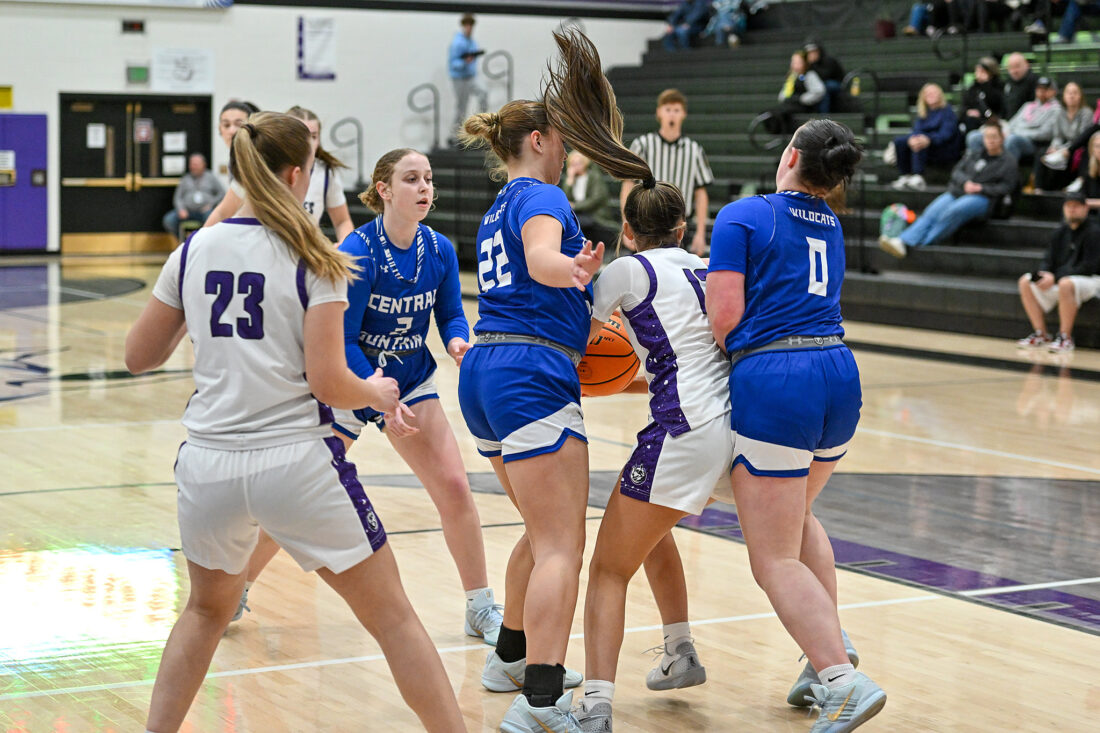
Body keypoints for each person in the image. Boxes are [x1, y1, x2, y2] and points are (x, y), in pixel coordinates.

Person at [124, 111, 464, 733]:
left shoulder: (194, 249)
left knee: (202, 614)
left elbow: (137, 357)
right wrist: (379, 391)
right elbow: (329, 383)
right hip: (295, 462)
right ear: (296, 175)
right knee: (393, 619)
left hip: (208, 464)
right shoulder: (318, 257)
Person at [231, 147, 504, 646]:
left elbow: (449, 314)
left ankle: (480, 606)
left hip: (411, 379)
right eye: (410, 179)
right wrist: (375, 396)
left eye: (428, 179)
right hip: (351, 382)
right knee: (293, 500)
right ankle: (236, 588)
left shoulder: (439, 249)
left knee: (455, 488)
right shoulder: (356, 252)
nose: (424, 188)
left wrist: (458, 341)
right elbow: (345, 338)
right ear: (383, 190)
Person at [706, 118, 886, 732]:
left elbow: (723, 318)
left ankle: (842, 678)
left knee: (772, 558)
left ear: (788, 156)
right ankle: (822, 659)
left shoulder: (742, 215)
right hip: (838, 373)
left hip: (780, 380)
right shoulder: (830, 222)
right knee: (800, 519)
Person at [456, 32, 607, 732]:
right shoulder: (539, 199)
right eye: (565, 142)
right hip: (529, 370)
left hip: (489, 369)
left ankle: (511, 656)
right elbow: (545, 256)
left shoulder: (497, 207)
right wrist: (573, 270)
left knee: (538, 529)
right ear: (542, 141)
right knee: (561, 545)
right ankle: (541, 703)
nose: (571, 153)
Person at [566, 152, 734, 732]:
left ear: (628, 233)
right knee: (652, 529)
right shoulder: (707, 267)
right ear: (683, 228)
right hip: (732, 424)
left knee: (609, 567)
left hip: (681, 430)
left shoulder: (627, 270)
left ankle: (595, 704)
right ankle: (681, 651)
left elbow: (580, 340)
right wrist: (632, 376)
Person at [881, 121, 1018, 258]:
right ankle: (903, 241)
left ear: (1002, 138)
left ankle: (922, 244)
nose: (991, 140)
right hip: (959, 191)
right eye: (987, 136)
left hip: (985, 198)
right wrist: (965, 183)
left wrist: (981, 188)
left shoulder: (1008, 162)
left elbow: (1007, 187)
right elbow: (957, 172)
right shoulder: (974, 154)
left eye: (994, 136)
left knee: (954, 211)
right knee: (932, 211)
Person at [622, 89, 714, 257]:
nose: (672, 115)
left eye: (676, 110)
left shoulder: (694, 149)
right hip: (645, 223)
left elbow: (701, 193)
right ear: (659, 113)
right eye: (668, 109)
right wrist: (625, 222)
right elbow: (628, 184)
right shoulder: (642, 144)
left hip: (677, 225)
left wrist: (701, 233)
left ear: (684, 114)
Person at [1016, 190, 1100, 353]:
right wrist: (1045, 274)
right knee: (1026, 281)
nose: (1072, 209)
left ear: (1086, 209)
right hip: (1063, 279)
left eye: (1076, 206)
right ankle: (1041, 334)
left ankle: (1065, 337)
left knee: (1065, 283)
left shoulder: (1095, 232)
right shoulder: (1059, 232)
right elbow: (1048, 259)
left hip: (1093, 280)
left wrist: (1054, 277)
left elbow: (1089, 267)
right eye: (1069, 206)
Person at [287, 105, 355, 242]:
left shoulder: (326, 172)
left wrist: (345, 244)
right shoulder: (270, 167)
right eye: (301, 135)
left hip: (309, 252)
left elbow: (342, 221)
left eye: (313, 136)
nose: (308, 143)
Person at [967, 76, 1060, 162]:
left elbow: (1045, 133)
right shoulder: (1028, 106)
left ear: (1053, 91)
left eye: (1045, 89)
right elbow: (1012, 124)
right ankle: (978, 169)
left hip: (1033, 144)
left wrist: (1017, 132)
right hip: (1013, 134)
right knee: (974, 137)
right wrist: (1001, 132)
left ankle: (1002, 172)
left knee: (1012, 140)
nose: (1041, 91)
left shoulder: (1056, 109)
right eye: (1039, 88)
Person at [890, 83, 961, 191]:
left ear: (940, 95)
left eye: (933, 93)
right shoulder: (923, 113)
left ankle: (918, 176)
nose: (930, 95)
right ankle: (905, 175)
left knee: (920, 141)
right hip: (925, 145)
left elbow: (945, 135)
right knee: (900, 141)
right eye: (927, 94)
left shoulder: (947, 112)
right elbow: (916, 131)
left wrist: (928, 139)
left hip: (943, 148)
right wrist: (913, 139)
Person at [202, 100, 260, 228]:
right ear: (219, 129)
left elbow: (223, 211)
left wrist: (196, 240)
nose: (232, 130)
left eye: (238, 124)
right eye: (226, 125)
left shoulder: (255, 159)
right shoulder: (235, 158)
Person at [1034, 81, 1092, 192]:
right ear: (1064, 96)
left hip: (1079, 147)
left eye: (1075, 93)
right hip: (1063, 146)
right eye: (1069, 92)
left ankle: (1061, 187)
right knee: (1043, 153)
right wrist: (1054, 147)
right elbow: (1057, 136)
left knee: (1066, 156)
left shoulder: (1086, 113)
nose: (1071, 95)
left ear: (1080, 96)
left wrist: (1065, 149)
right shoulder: (1059, 112)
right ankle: (1039, 189)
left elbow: (1082, 137)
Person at [560, 151, 618, 253]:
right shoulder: (571, 179)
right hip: (579, 214)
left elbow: (596, 199)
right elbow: (565, 200)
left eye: (578, 163)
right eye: (573, 164)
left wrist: (575, 206)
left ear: (585, 163)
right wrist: (569, 180)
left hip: (594, 214)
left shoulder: (594, 176)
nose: (576, 166)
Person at [764, 51, 826, 136]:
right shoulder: (792, 76)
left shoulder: (809, 75)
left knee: (782, 113)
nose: (795, 65)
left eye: (798, 62)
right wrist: (786, 98)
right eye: (793, 62)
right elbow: (784, 93)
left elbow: (819, 91)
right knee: (768, 113)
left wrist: (802, 99)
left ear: (804, 63)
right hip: (791, 104)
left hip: (804, 106)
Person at [162, 153, 224, 237]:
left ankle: (203, 241)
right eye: (192, 164)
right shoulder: (185, 179)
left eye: (196, 164)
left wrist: (211, 204)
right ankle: (184, 241)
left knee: (211, 218)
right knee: (169, 220)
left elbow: (221, 193)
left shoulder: (211, 177)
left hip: (205, 212)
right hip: (188, 212)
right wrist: (181, 209)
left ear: (203, 165)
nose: (194, 167)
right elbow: (178, 197)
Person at [448, 13, 489, 137]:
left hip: (471, 76)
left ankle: (480, 124)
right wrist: (465, 62)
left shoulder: (472, 42)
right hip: (460, 78)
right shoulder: (457, 43)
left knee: (483, 92)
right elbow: (453, 63)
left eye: (471, 25)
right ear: (463, 26)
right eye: (467, 25)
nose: (469, 28)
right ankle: (455, 135)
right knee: (462, 107)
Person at [960, 57, 1005, 134]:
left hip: (995, 120)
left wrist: (986, 84)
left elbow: (997, 103)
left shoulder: (999, 86)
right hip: (977, 122)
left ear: (990, 72)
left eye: (982, 71)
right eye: (977, 71)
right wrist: (968, 112)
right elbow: (963, 108)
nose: (979, 74)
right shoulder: (972, 89)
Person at [804, 40, 845, 114]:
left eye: (814, 52)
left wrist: (813, 64)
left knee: (824, 88)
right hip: (821, 84)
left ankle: (823, 114)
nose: (812, 54)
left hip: (836, 83)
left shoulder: (829, 60)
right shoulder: (809, 63)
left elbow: (825, 76)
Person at [1003, 52, 1038, 120]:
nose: (1014, 71)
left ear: (1026, 65)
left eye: (1017, 66)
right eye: (1011, 67)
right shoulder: (1008, 82)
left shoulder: (1035, 82)